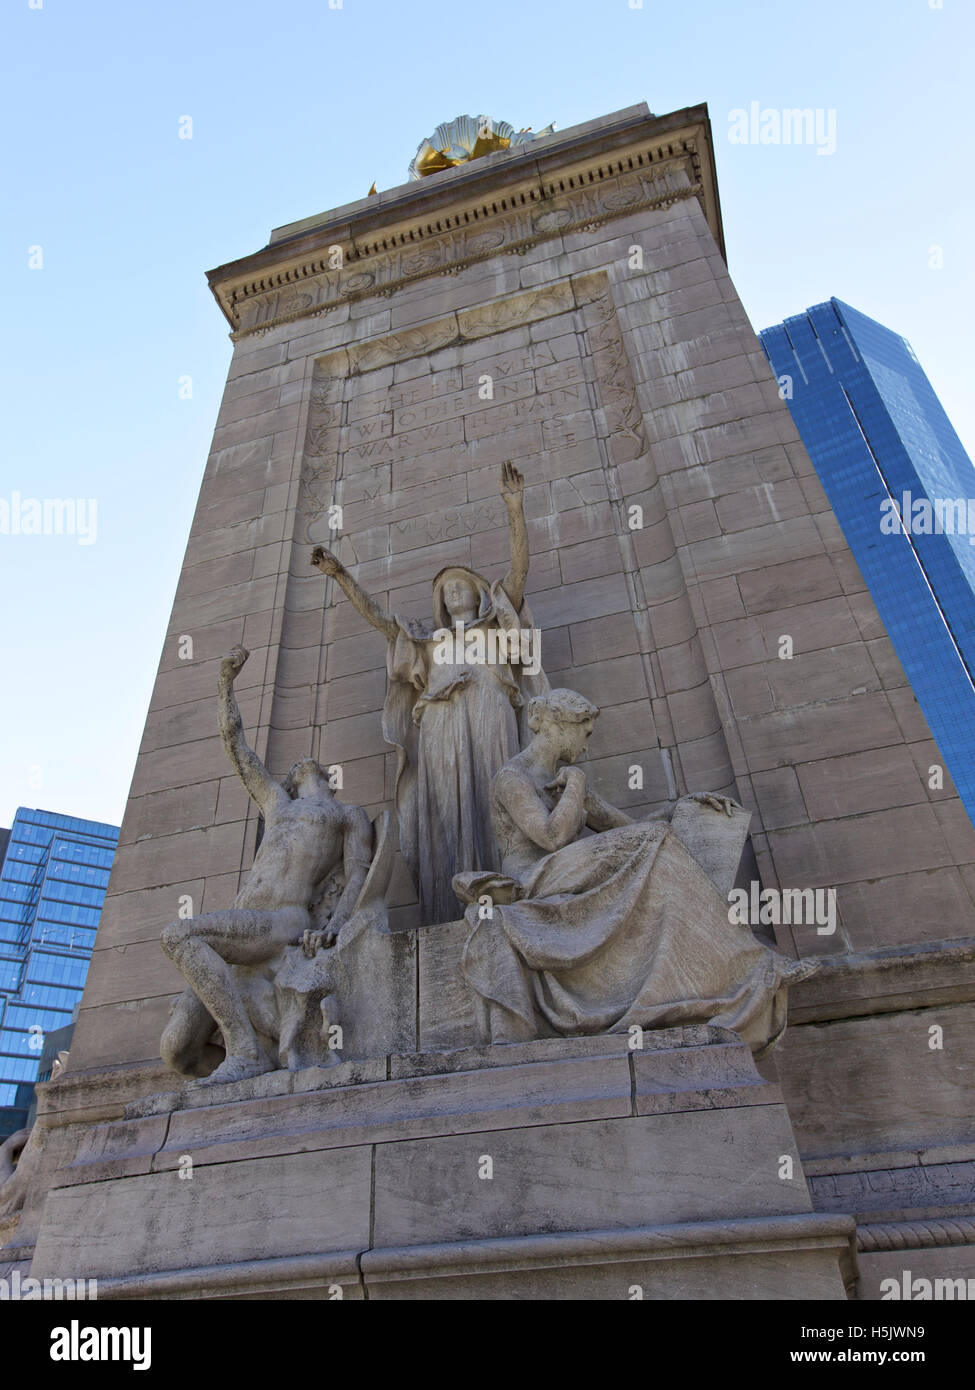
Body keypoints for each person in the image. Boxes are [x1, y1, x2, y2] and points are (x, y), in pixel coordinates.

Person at [453, 688, 818, 1055]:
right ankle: (747, 967)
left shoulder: (567, 783)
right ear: (561, 726)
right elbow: (551, 837)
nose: (587, 745)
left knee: (660, 845)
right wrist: (577, 785)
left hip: (570, 871)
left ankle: (735, 971)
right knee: (654, 841)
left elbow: (627, 828)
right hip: (532, 877)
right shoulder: (513, 777)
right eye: (586, 732)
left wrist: (681, 808)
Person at [311, 461, 548, 926]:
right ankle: (448, 907)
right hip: (439, 723)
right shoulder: (426, 641)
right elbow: (380, 619)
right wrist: (341, 577)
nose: (456, 592)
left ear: (477, 592)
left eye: (462, 585)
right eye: (447, 589)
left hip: (490, 710)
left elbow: (518, 574)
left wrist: (514, 510)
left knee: (499, 794)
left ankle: (513, 898)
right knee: (445, 810)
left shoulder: (494, 624)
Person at [160, 645, 372, 1084]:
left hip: (281, 919)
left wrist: (338, 924)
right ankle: (253, 1072)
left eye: (307, 767)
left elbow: (359, 875)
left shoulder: (347, 814)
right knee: (177, 1051)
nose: (302, 766)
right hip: (243, 924)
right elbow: (236, 747)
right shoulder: (278, 804)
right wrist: (225, 683)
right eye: (296, 768)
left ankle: (244, 1052)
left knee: (178, 934)